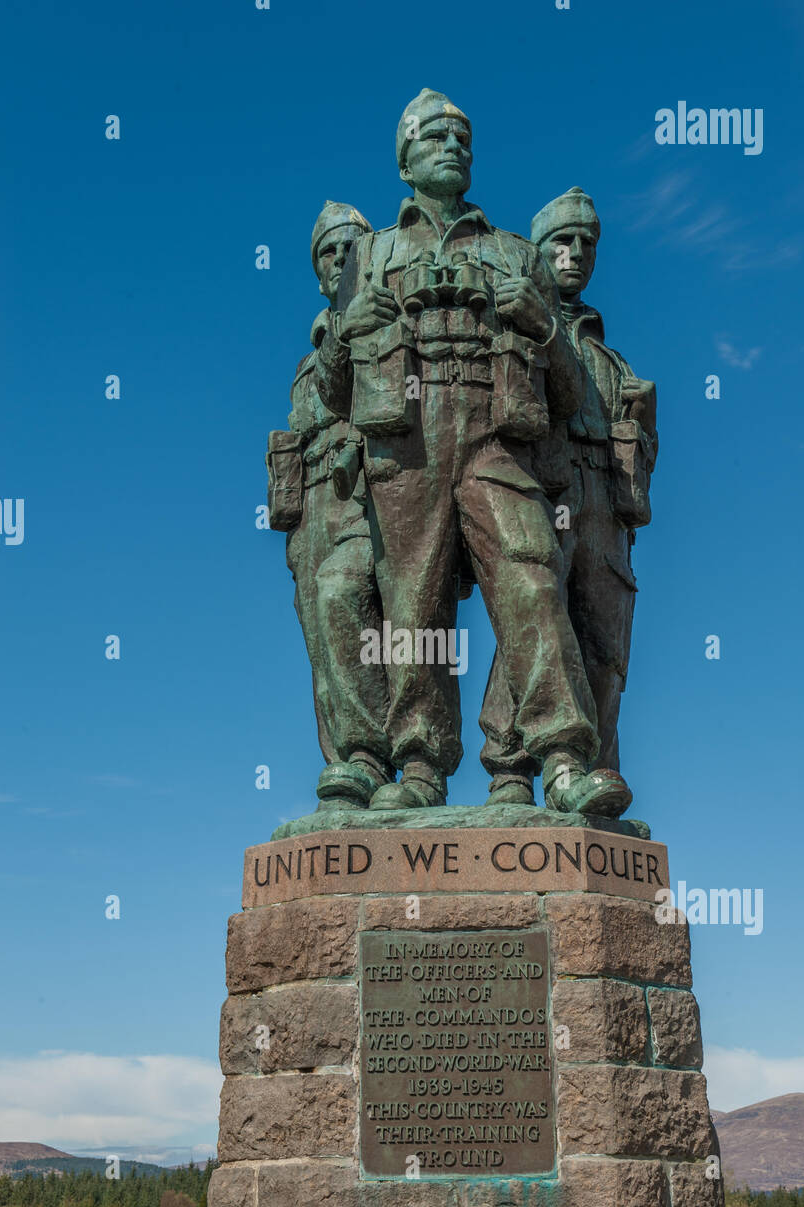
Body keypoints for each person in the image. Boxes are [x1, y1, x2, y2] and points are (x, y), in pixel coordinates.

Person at [316, 92, 628, 817]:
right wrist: (342, 332)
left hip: (493, 437)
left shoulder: (516, 252)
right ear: (403, 159)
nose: (448, 145)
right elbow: (335, 392)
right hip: (407, 443)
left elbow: (567, 388)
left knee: (529, 583)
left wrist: (541, 328)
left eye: (460, 135)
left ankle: (558, 760)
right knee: (413, 607)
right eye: (431, 136)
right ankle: (420, 766)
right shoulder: (371, 254)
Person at [480, 189, 657, 811]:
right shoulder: (515, 322)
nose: (576, 252)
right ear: (537, 248)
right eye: (563, 239)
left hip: (605, 500)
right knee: (533, 621)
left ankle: (596, 774)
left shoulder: (613, 358)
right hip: (545, 485)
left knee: (606, 646)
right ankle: (511, 770)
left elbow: (640, 456)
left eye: (587, 243)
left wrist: (645, 421)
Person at [266, 201, 392, 808]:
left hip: (368, 495)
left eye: (349, 248)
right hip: (310, 508)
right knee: (324, 644)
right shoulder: (306, 359)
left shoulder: (387, 327)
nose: (340, 259)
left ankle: (376, 754)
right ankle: (346, 770)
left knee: (350, 602)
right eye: (328, 252)